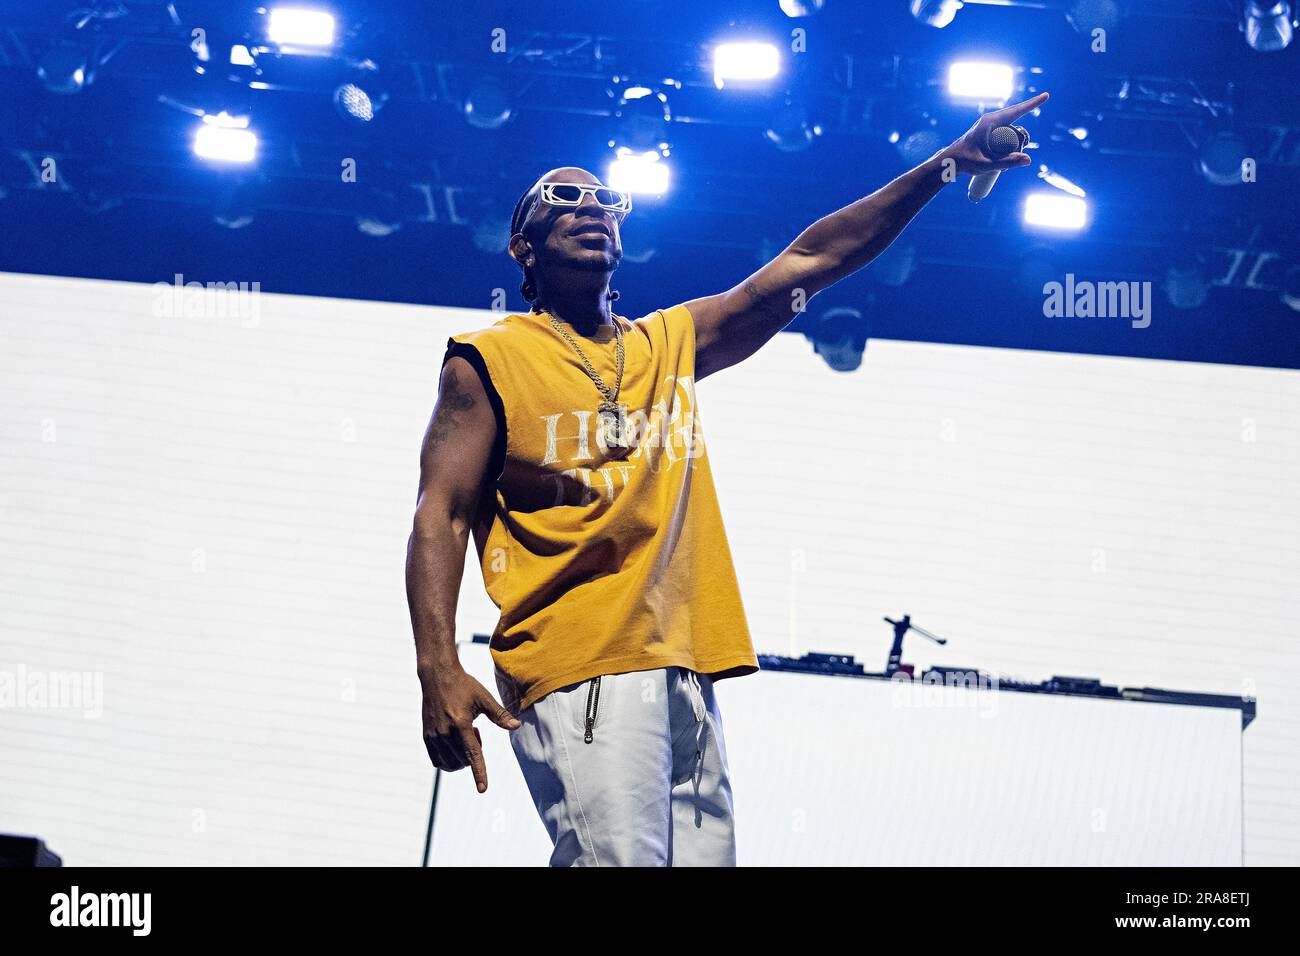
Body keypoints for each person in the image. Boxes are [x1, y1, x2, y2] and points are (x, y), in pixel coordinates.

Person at [406, 92, 1050, 866]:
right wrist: (438, 666)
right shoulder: (486, 358)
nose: (592, 208)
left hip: (686, 669)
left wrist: (945, 166)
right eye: (563, 198)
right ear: (523, 246)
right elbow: (438, 514)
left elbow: (811, 261)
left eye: (607, 200)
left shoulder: (671, 342)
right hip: (580, 665)